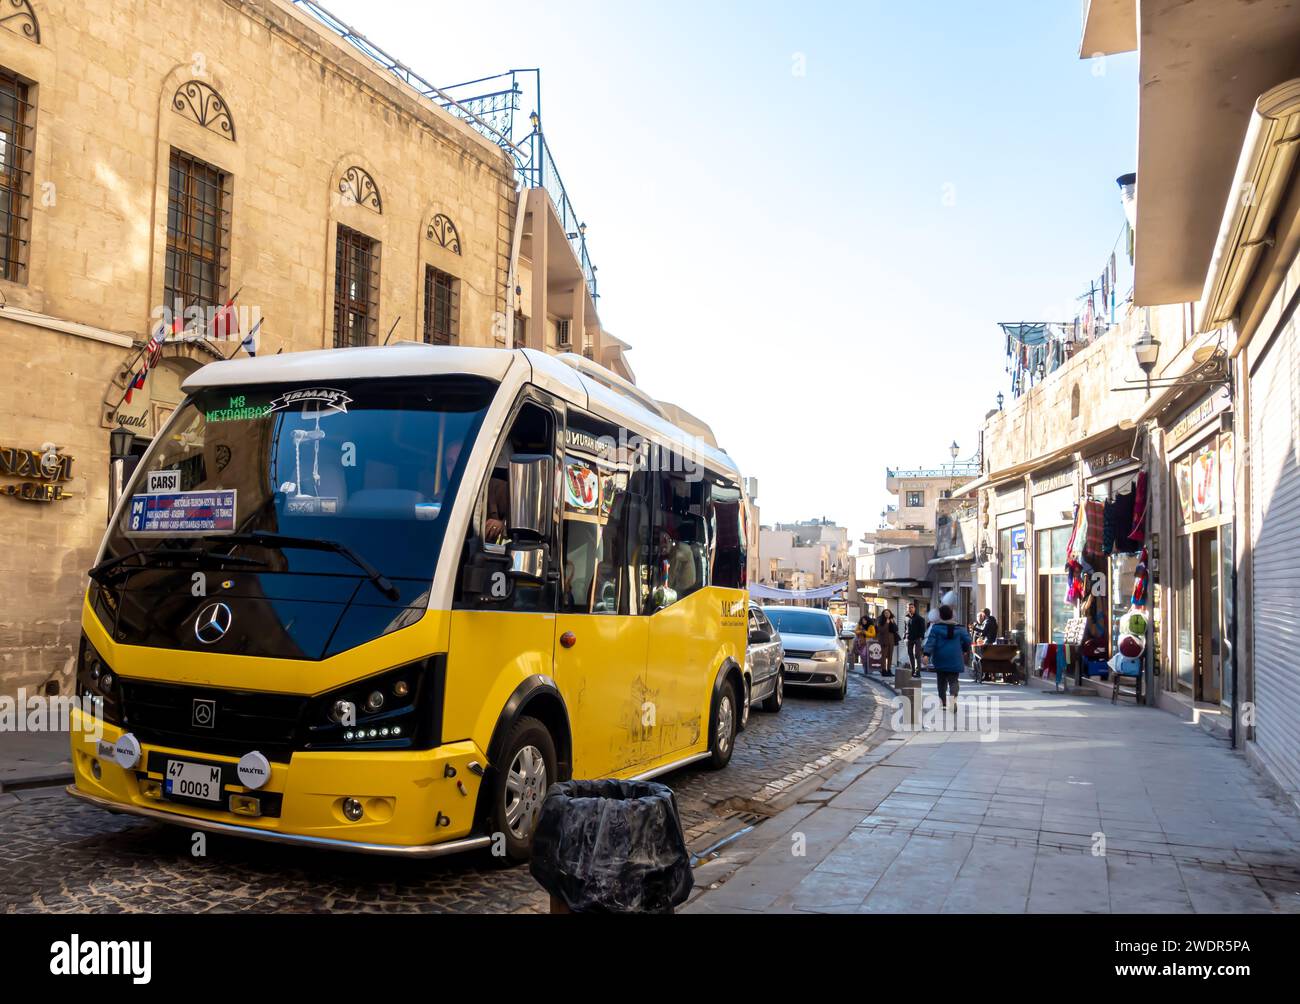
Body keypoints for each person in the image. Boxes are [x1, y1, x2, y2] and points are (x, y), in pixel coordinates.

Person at [923, 604, 972, 712]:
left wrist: (926, 654)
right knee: (954, 681)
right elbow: (968, 641)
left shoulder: (936, 628)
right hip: (955, 658)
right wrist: (964, 649)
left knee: (941, 682)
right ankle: (953, 699)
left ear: (940, 615)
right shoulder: (960, 628)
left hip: (940, 658)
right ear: (951, 615)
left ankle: (943, 703)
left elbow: (930, 642)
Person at [903, 601, 926, 671]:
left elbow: (922, 629)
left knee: (917, 655)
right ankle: (912, 670)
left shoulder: (920, 618)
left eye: (912, 607)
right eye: (909, 608)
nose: (910, 609)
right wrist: (904, 636)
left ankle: (918, 671)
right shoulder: (906, 617)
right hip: (908, 638)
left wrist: (921, 637)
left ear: (915, 608)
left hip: (917, 638)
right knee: (910, 654)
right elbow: (905, 627)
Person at [879, 609, 900, 676]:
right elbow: (881, 630)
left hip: (891, 640)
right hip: (884, 640)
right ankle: (883, 670)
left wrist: (892, 622)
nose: (887, 614)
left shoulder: (892, 620)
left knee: (890, 656)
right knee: (884, 656)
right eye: (885, 613)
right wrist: (887, 623)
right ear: (883, 614)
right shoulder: (881, 621)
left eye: (888, 613)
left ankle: (889, 670)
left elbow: (896, 629)